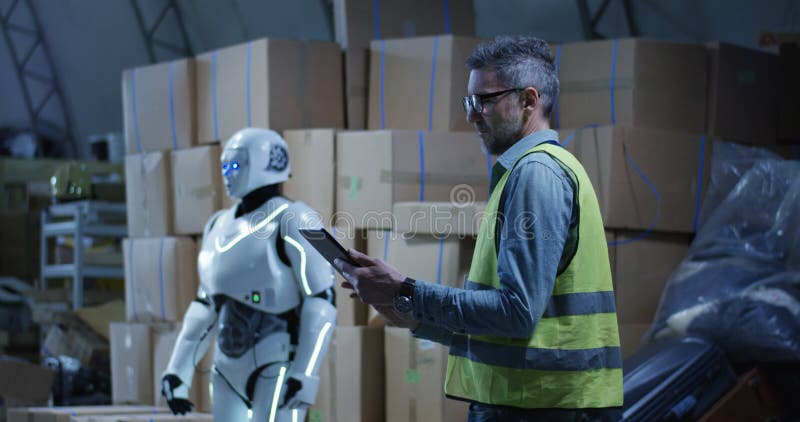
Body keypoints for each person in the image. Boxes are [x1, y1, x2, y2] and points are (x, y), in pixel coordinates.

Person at [336, 36, 622, 421]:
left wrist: (406, 290)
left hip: (542, 408)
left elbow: (516, 312)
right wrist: (413, 315)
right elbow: (509, 329)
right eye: (469, 102)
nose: (472, 115)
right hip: (535, 404)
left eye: (484, 101)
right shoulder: (524, 173)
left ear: (529, 101)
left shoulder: (536, 174)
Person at [161, 128, 336, 422]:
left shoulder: (297, 218)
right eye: (224, 166)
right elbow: (206, 306)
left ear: (264, 163)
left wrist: (305, 373)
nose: (227, 174)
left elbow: (322, 300)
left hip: (277, 362)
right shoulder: (217, 224)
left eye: (235, 165)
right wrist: (178, 371)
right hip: (226, 367)